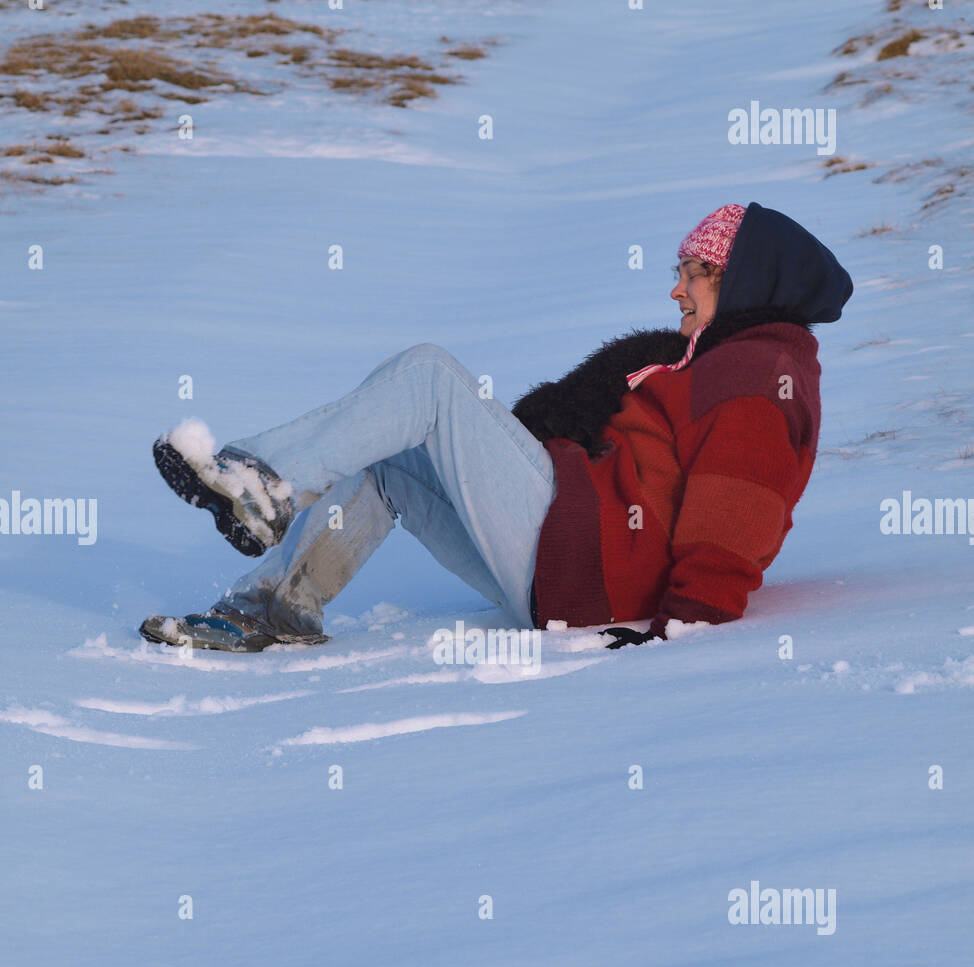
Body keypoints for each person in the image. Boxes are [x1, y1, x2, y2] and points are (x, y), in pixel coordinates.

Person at [140, 201, 852, 654]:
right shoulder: (720, 361)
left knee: (428, 377)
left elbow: (739, 513)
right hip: (574, 564)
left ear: (744, 281)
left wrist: (686, 623)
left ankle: (262, 481)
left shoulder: (760, 377)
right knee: (390, 457)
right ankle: (276, 608)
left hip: (589, 566)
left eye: (694, 272)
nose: (675, 288)